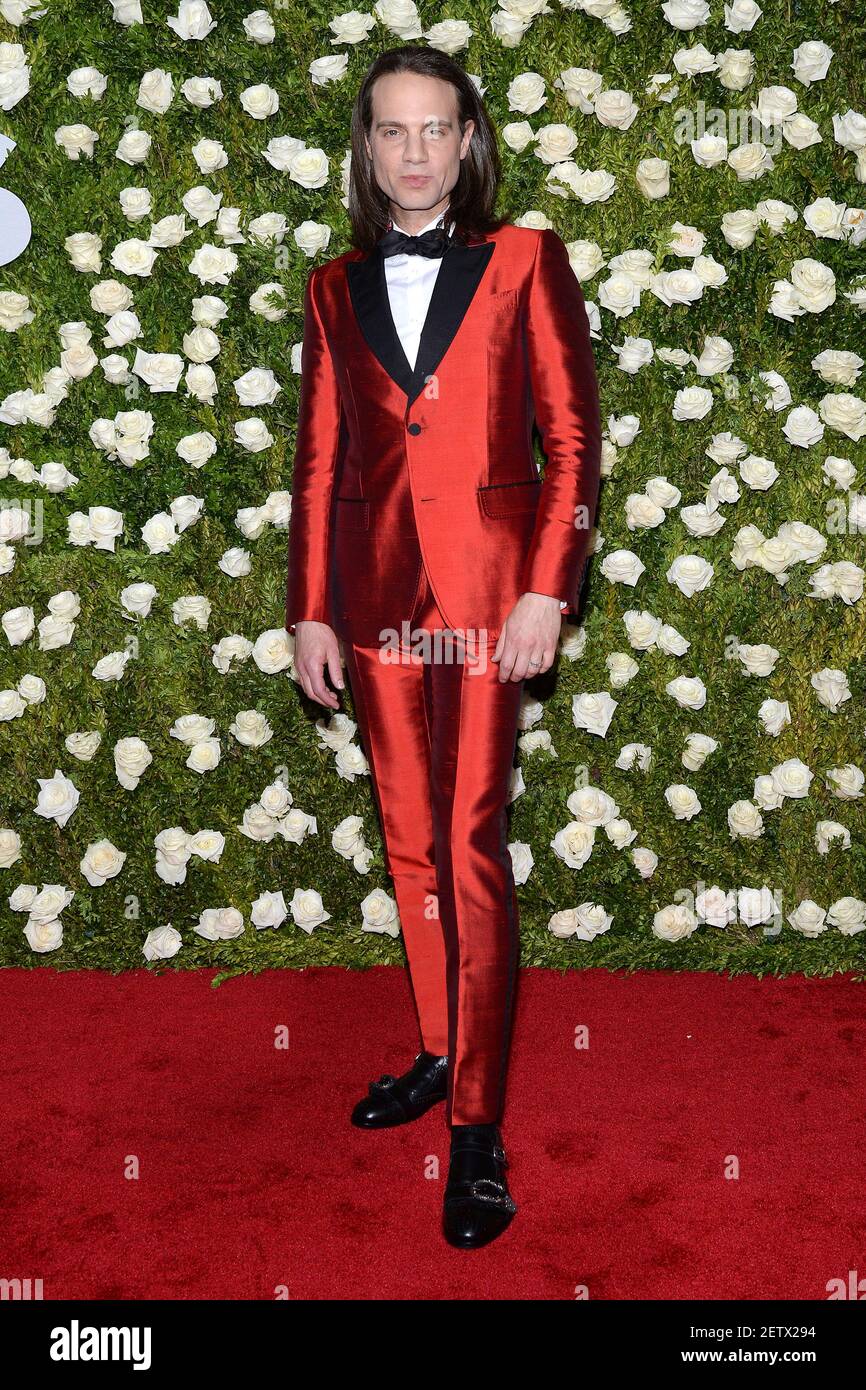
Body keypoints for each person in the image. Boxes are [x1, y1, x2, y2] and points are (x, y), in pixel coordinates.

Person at [285, 44, 601, 1249]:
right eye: (390, 132)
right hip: (370, 608)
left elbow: (571, 440)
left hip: (487, 606)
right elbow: (320, 458)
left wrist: (546, 591)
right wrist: (308, 606)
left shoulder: (524, 259)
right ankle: (434, 1042)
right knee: (406, 840)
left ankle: (475, 1126)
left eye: (435, 130)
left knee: (470, 845)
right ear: (364, 150)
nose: (413, 152)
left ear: (467, 142)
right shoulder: (329, 286)